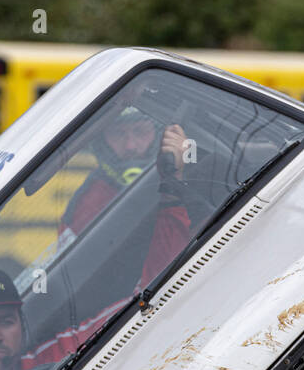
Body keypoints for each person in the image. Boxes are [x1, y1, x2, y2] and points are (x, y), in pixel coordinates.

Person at [61, 101, 212, 292]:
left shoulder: (197, 178)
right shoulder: (86, 203)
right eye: (119, 134)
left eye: (140, 131)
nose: (131, 145)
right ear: (102, 142)